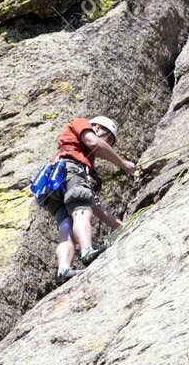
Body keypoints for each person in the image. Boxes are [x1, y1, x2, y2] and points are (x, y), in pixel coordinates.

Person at [42, 115, 136, 282]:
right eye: (109, 140)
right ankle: (87, 250)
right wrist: (123, 164)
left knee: (66, 225)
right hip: (70, 171)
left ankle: (63, 269)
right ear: (98, 128)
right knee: (81, 210)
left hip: (51, 187)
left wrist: (121, 227)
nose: (109, 146)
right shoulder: (81, 123)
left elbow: (94, 204)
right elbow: (94, 142)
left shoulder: (80, 156)